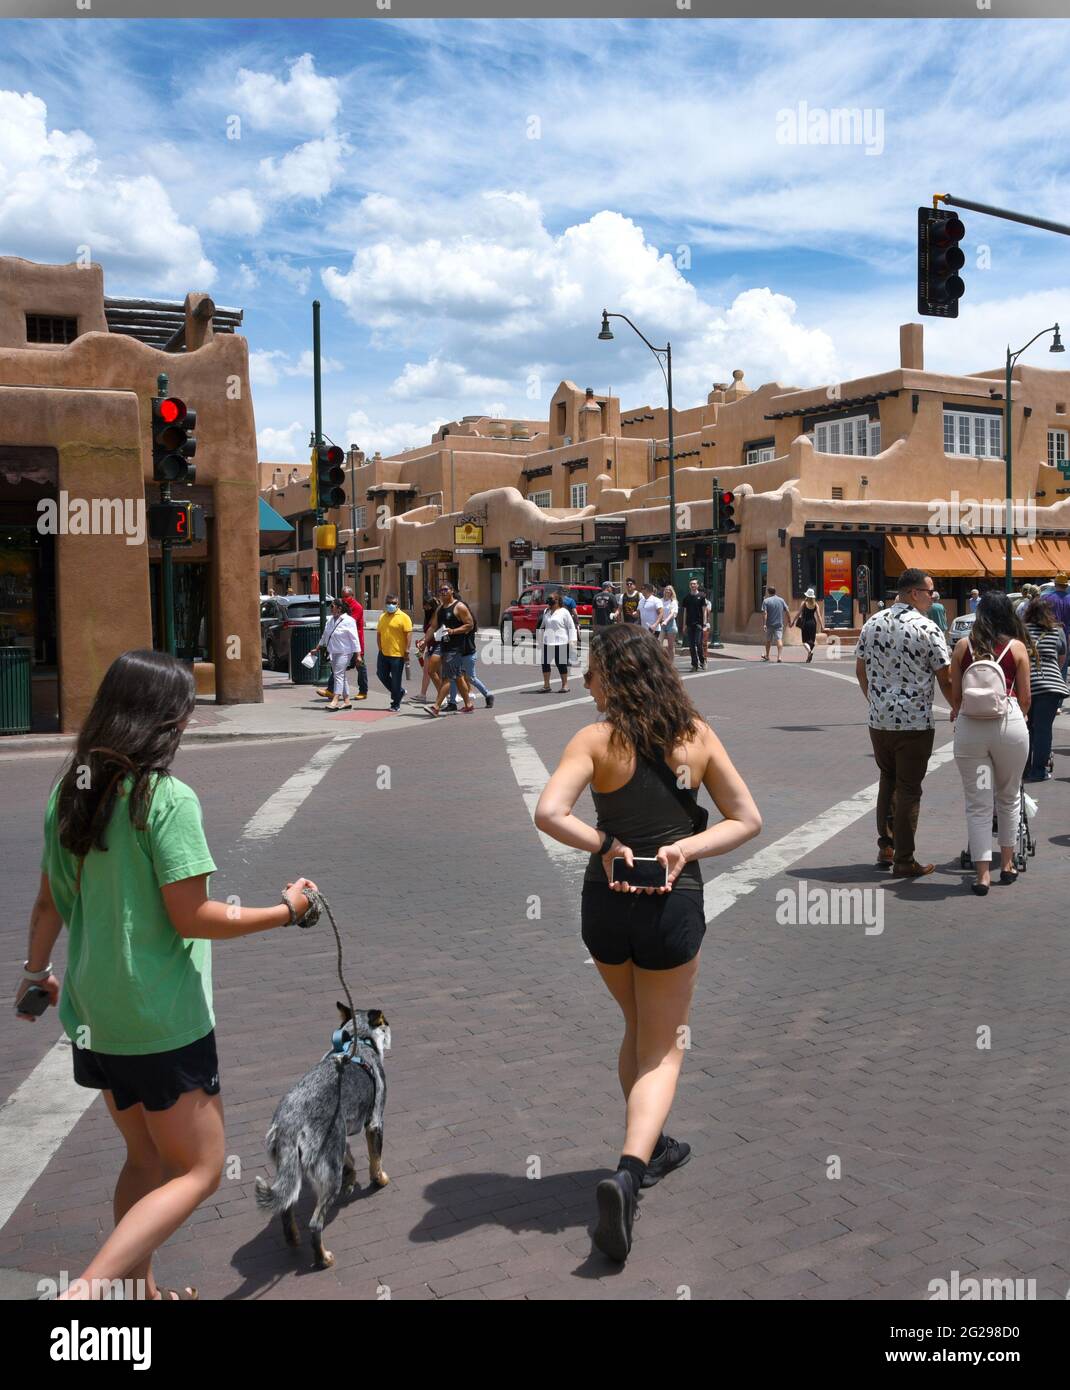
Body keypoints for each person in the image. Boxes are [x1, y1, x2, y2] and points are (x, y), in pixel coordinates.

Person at [17, 649, 317, 1301]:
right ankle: (89, 1293)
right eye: (181, 712)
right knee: (202, 1170)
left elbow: (48, 904)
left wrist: (36, 974)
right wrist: (286, 911)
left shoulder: (71, 790)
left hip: (96, 1015)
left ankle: (140, 1293)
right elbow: (193, 916)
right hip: (159, 1018)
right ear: (163, 721)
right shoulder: (165, 798)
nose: (186, 723)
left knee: (145, 1158)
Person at [533, 625, 761, 1263]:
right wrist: (685, 847)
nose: (586, 682)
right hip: (671, 905)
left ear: (614, 676)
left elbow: (550, 812)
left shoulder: (595, 739)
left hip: (605, 905)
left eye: (594, 671)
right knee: (664, 1048)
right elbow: (749, 818)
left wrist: (606, 845)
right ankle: (631, 1172)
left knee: (637, 1027)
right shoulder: (696, 736)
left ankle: (653, 1144)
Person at [855, 568, 952, 877]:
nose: (933, 597)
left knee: (888, 779)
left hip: (879, 721)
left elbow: (860, 669)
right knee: (909, 788)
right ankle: (905, 860)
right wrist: (957, 708)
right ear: (914, 593)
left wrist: (875, 702)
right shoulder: (927, 628)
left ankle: (886, 846)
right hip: (914, 722)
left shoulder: (872, 623)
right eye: (930, 592)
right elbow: (945, 677)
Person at [948, 592, 1032, 894]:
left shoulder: (962, 647)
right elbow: (1025, 699)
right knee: (1008, 798)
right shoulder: (1017, 647)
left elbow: (956, 698)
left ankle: (982, 874)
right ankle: (1007, 864)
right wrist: (1016, 716)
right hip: (1008, 726)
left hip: (971, 731)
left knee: (978, 803)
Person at [1022, 594, 1067, 781]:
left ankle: (1024, 768)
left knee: (1026, 729)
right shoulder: (1057, 631)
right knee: (1043, 730)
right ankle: (1038, 771)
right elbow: (1062, 659)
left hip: (1027, 684)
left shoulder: (1022, 630)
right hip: (1051, 686)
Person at [425, 581, 475, 717]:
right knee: (433, 670)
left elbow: (469, 625)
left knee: (447, 677)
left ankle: (436, 707)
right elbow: (433, 626)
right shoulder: (440, 608)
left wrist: (453, 631)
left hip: (455, 647)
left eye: (445, 589)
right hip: (442, 644)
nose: (443, 592)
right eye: (441, 590)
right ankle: (468, 704)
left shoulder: (460, 607)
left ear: (452, 591)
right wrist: (424, 641)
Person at [315, 588, 367, 702]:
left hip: (348, 647)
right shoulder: (331, 619)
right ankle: (346, 700)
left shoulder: (355, 610)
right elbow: (325, 634)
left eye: (347, 596)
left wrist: (358, 654)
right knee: (340, 674)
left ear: (352, 595)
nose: (345, 598)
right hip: (335, 649)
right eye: (343, 596)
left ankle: (336, 698)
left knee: (347, 671)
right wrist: (318, 647)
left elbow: (352, 632)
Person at [376, 593, 413, 712]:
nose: (391, 605)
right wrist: (380, 648)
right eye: (389, 603)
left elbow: (408, 634)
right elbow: (379, 633)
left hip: (397, 654)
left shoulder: (404, 617)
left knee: (396, 679)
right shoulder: (382, 616)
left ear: (398, 604)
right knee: (381, 675)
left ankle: (395, 703)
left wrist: (407, 651)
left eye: (393, 603)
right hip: (383, 653)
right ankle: (399, 692)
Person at [537, 590, 577, 693]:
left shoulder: (564, 612)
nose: (549, 601)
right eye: (548, 599)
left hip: (561, 642)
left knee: (561, 664)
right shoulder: (547, 611)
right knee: (545, 663)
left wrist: (573, 640)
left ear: (557, 600)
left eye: (551, 599)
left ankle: (565, 685)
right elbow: (542, 625)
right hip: (548, 642)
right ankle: (546, 685)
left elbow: (571, 626)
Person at [1044, 572, 1070, 682]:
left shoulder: (1046, 598)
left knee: (1048, 665)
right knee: (1063, 666)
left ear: (1055, 584)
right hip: (1066, 637)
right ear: (1066, 585)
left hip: (1048, 636)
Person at [791, 588, 824, 663]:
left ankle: (809, 651)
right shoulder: (816, 605)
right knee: (811, 640)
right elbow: (819, 616)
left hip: (805, 623)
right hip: (813, 623)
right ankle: (809, 655)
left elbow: (798, 613)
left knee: (805, 641)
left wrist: (793, 621)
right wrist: (822, 625)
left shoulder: (804, 603)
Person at [681, 578, 707, 671]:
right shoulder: (687, 598)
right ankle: (694, 665)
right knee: (691, 646)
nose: (693, 585)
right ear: (689, 585)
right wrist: (684, 625)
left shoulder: (702, 596)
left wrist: (704, 624)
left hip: (699, 624)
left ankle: (702, 661)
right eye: (691, 584)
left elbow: (704, 611)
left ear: (697, 585)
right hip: (689, 624)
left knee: (699, 644)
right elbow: (685, 612)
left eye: (694, 584)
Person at [760, 585, 790, 662]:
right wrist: (789, 620)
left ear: (768, 592)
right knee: (779, 639)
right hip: (779, 624)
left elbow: (765, 613)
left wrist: (764, 624)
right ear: (775, 591)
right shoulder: (781, 600)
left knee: (768, 640)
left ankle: (767, 656)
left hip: (770, 624)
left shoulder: (766, 601)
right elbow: (787, 610)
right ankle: (779, 657)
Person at [659, 585, 679, 658]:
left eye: (669, 590)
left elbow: (672, 613)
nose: (667, 591)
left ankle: (671, 663)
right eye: (666, 589)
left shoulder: (673, 601)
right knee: (659, 643)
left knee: (670, 646)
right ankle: (662, 661)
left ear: (671, 592)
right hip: (662, 624)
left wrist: (666, 621)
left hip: (670, 624)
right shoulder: (660, 600)